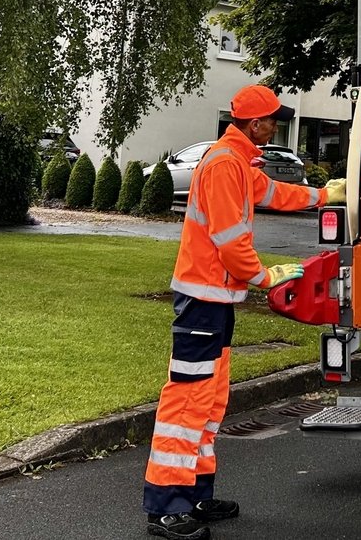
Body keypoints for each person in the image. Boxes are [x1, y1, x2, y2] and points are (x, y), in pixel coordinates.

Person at [144, 84, 346, 539]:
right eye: (272, 119)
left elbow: (274, 193)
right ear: (255, 124)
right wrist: (265, 277)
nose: (277, 125)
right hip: (203, 300)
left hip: (215, 301)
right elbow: (231, 242)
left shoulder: (236, 162)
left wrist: (323, 195)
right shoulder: (223, 166)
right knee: (187, 401)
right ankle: (166, 507)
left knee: (210, 400)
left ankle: (195, 495)